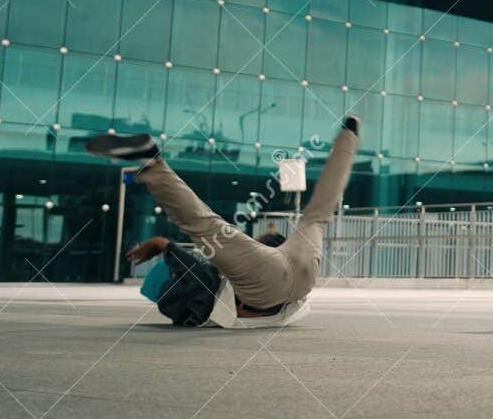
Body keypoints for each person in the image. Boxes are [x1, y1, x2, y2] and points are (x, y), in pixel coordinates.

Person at [91, 117, 359, 328]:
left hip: (300, 281)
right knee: (205, 225)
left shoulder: (241, 285)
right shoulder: (205, 303)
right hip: (280, 280)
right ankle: (349, 138)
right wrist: (166, 247)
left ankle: (349, 137)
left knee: (317, 215)